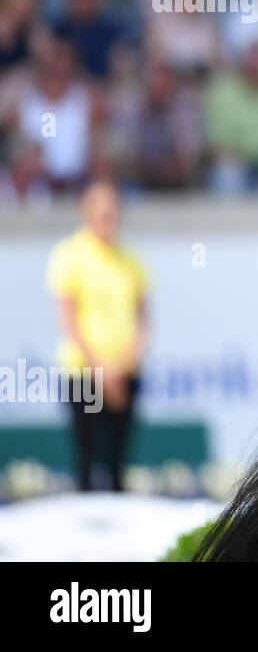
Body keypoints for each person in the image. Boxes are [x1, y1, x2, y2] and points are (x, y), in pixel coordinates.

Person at [45, 180, 149, 491]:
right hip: (83, 373)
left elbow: (142, 318)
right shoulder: (69, 255)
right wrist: (100, 370)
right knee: (87, 463)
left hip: (124, 373)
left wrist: (124, 364)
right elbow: (68, 319)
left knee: (118, 465)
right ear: (87, 213)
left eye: (113, 212)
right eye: (102, 212)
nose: (109, 218)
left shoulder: (131, 259)